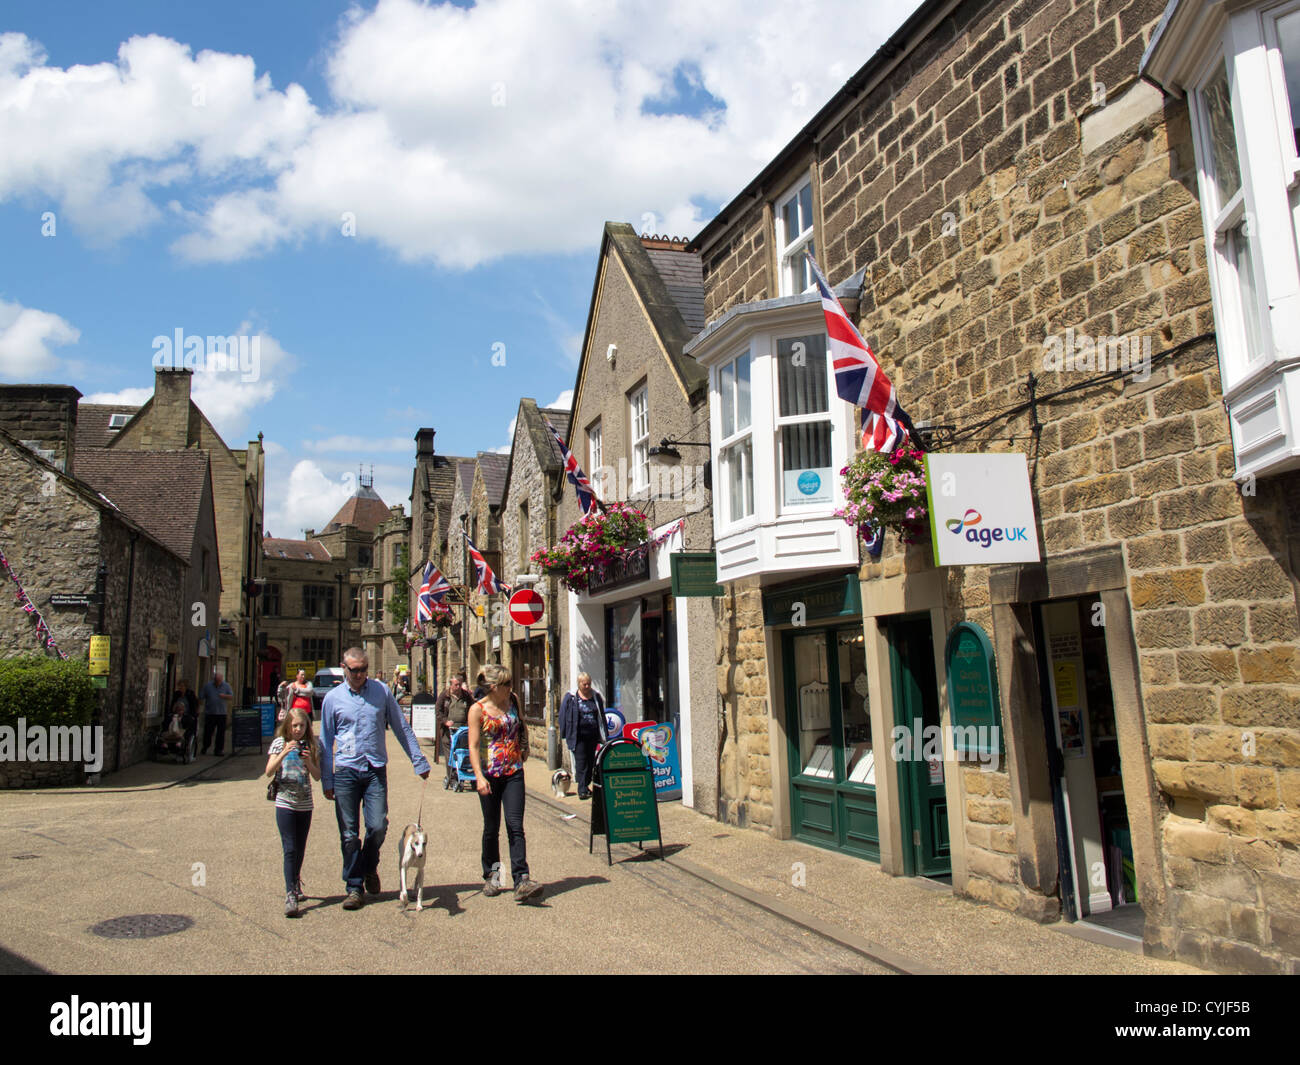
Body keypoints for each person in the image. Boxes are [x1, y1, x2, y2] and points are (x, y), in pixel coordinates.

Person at [320, 647, 430, 911]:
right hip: (346, 770)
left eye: (363, 669)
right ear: (343, 668)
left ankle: (368, 866)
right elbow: (325, 741)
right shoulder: (332, 699)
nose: (359, 675)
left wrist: (418, 759)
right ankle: (354, 887)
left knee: (378, 825)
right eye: (354, 670)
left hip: (374, 768)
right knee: (348, 834)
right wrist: (327, 780)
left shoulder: (381, 691)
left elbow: (401, 727)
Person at [468, 663, 543, 902]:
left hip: (513, 771)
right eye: (506, 683)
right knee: (491, 828)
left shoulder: (513, 701)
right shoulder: (477, 709)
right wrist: (479, 776)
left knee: (515, 825)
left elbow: (520, 724)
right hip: (489, 774)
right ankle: (493, 875)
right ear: (493, 687)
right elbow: (473, 745)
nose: (511, 687)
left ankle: (521, 878)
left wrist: (524, 747)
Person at [265, 707, 320, 918]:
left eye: (301, 726)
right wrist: (284, 753)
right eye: (294, 725)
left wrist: (308, 761)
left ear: (307, 727)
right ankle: (290, 894)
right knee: (289, 848)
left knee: (300, 848)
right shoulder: (279, 743)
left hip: (305, 803)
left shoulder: (312, 746)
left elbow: (317, 776)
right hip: (285, 802)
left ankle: (296, 882)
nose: (297, 729)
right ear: (288, 727)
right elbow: (268, 771)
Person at [559, 672, 607, 800]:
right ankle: (582, 789)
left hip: (592, 735)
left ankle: (585, 785)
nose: (587, 686)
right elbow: (563, 715)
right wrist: (564, 733)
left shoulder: (596, 696)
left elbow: (601, 716)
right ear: (579, 684)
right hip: (577, 736)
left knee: (590, 762)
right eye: (584, 684)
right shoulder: (571, 697)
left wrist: (604, 734)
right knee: (581, 763)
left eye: (588, 684)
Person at [435, 672, 472, 764]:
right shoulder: (445, 696)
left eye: (460, 684)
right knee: (450, 756)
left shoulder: (466, 696)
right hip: (448, 731)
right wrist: (445, 721)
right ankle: (451, 776)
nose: (458, 687)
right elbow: (438, 711)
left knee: (461, 754)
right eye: (456, 685)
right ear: (451, 685)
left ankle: (459, 774)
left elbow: (473, 709)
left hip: (462, 731)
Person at [199, 671, 234, 755]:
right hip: (210, 713)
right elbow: (201, 696)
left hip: (221, 713)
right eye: (216, 680)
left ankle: (218, 749)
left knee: (221, 733)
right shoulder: (208, 686)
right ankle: (205, 746)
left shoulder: (226, 686)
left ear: (222, 679)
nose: (218, 682)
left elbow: (231, 696)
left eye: (219, 681)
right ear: (214, 679)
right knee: (208, 731)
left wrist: (224, 696)